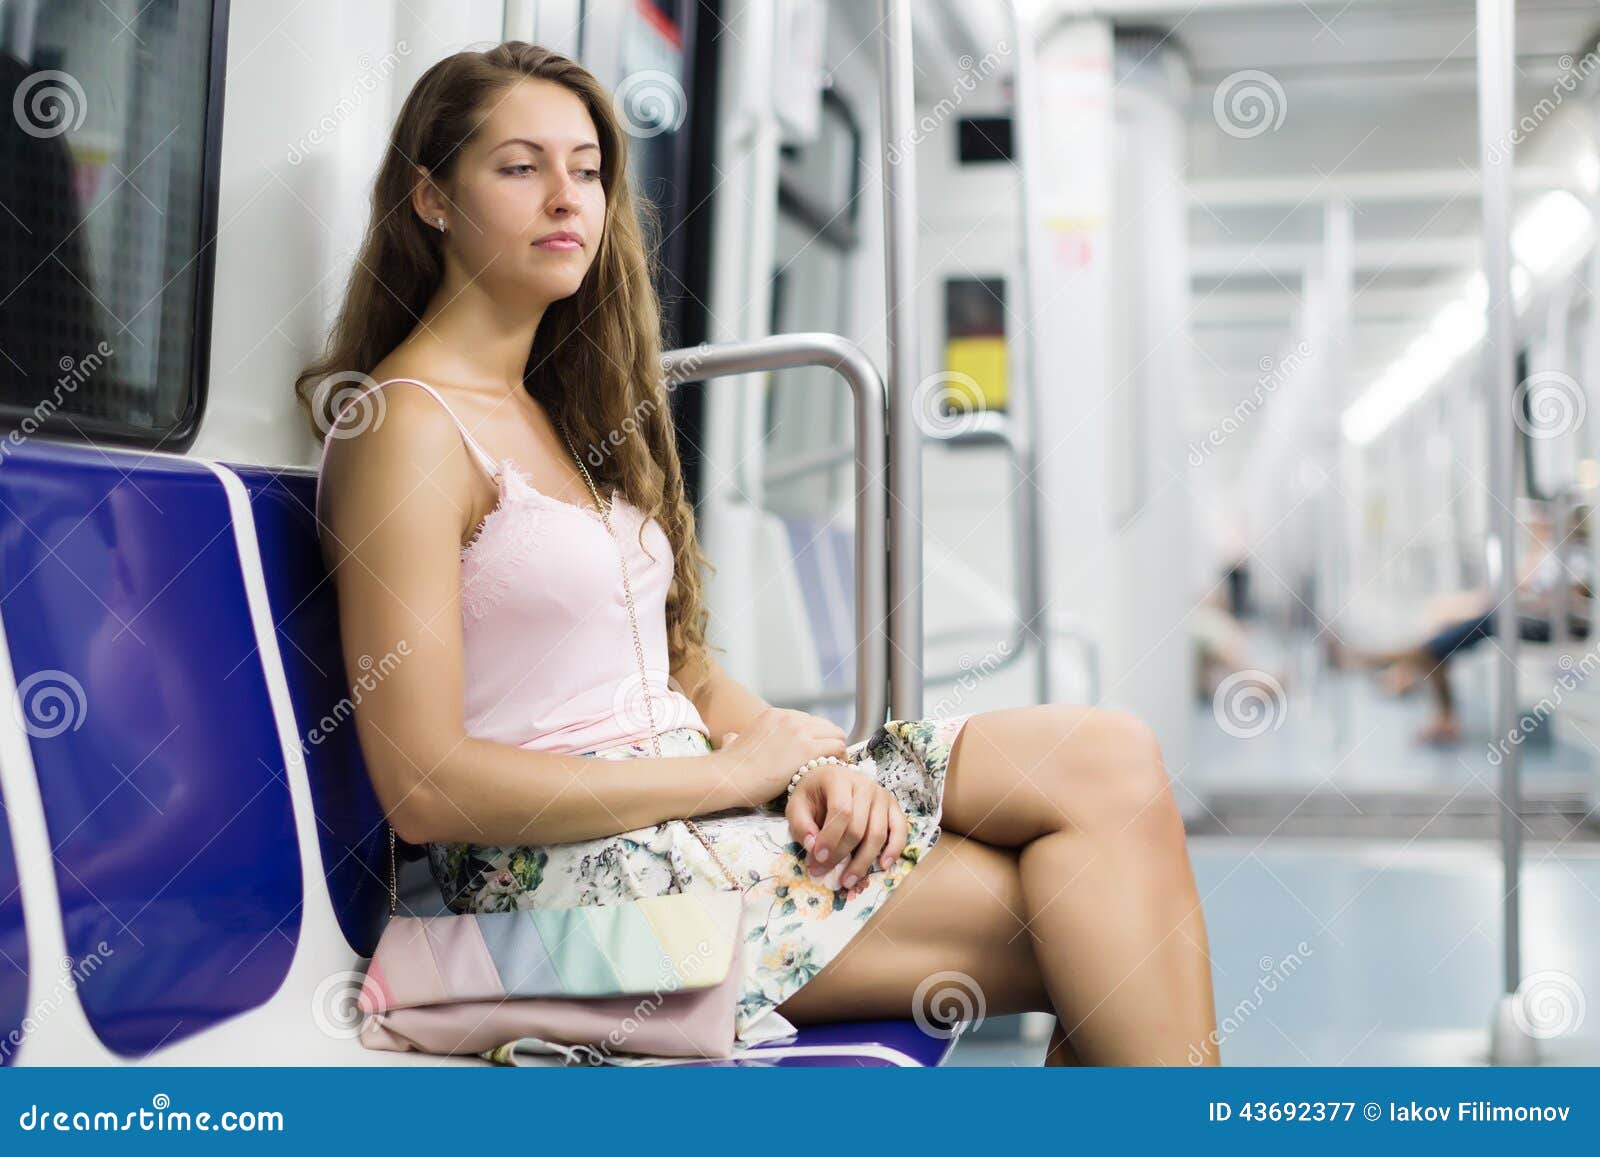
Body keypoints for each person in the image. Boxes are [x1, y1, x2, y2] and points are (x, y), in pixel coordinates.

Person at [305, 42, 1218, 1066]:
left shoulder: (561, 411)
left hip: (688, 810)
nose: (566, 197)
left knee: (1109, 758)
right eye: (519, 167)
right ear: (431, 198)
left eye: (589, 168)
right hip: (568, 883)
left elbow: (679, 673)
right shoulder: (407, 425)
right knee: (1093, 906)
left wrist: (809, 761)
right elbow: (427, 785)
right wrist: (734, 774)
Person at [1343, 508, 1592, 744]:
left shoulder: (1578, 556)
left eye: (1542, 522)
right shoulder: (1548, 555)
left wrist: (1529, 595)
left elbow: (1569, 599)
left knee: (1481, 623)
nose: (1536, 527)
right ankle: (1423, 684)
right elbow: (1519, 589)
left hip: (1559, 625)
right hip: (1521, 616)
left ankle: (1382, 659)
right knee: (1444, 638)